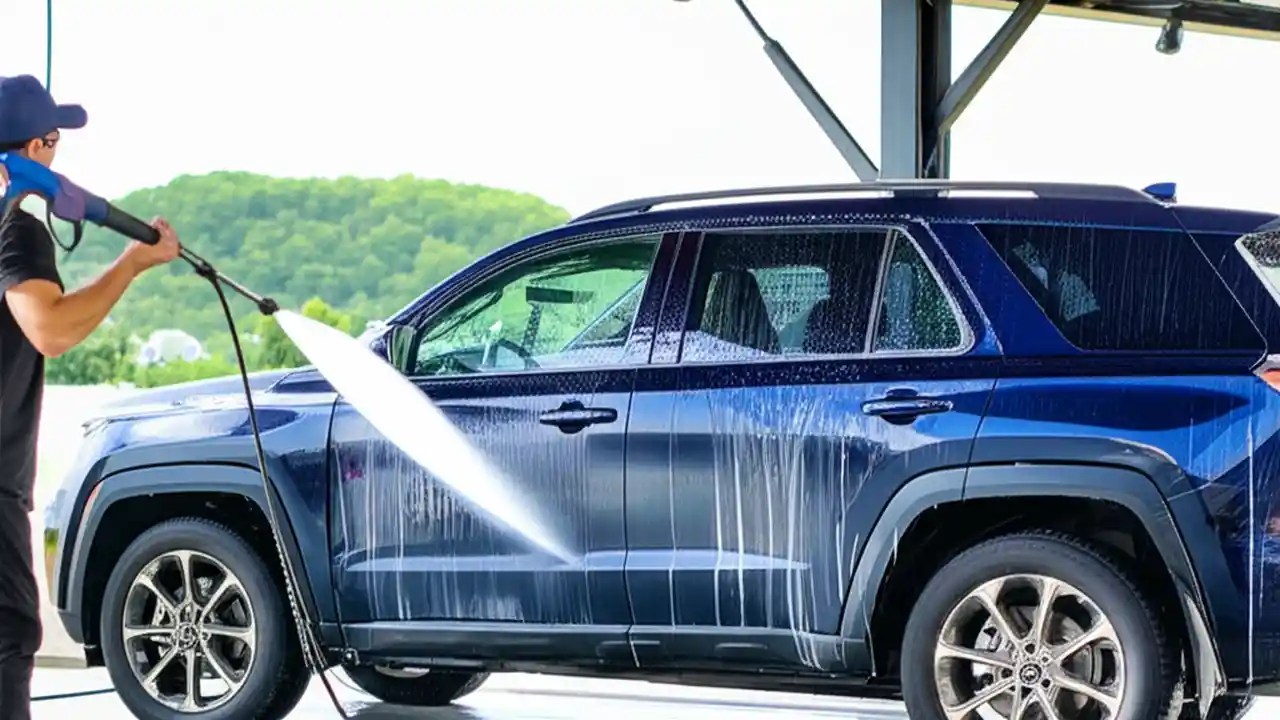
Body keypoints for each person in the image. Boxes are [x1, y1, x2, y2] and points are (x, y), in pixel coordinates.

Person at [0, 74, 180, 719]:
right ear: (38, 146)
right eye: (53, 139)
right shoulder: (15, 231)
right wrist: (130, 264)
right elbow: (51, 329)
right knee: (8, 635)